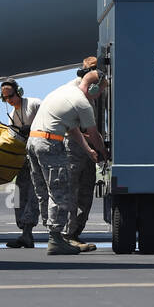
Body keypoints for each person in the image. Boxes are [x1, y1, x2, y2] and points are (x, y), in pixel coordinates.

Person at [27, 68, 106, 255]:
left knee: (44, 191)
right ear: (94, 89)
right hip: (50, 143)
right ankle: (56, 239)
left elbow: (72, 129)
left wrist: (88, 151)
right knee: (60, 192)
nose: (99, 95)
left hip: (33, 141)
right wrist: (103, 151)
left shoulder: (64, 91)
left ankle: (55, 235)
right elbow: (93, 134)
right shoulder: (83, 103)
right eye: (100, 91)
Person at [66, 57, 108, 251]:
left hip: (90, 145)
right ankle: (67, 234)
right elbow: (70, 128)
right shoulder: (74, 92)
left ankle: (75, 233)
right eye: (90, 71)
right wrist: (97, 146)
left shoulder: (101, 89)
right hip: (75, 145)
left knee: (85, 190)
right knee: (71, 191)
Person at [1, 79, 42, 248]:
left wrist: (31, 130)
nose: (9, 100)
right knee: (18, 193)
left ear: (19, 92)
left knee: (34, 193)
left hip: (39, 156)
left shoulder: (34, 104)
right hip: (24, 157)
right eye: (5, 98)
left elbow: (49, 124)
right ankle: (23, 230)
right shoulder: (12, 114)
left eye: (11, 96)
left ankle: (27, 232)